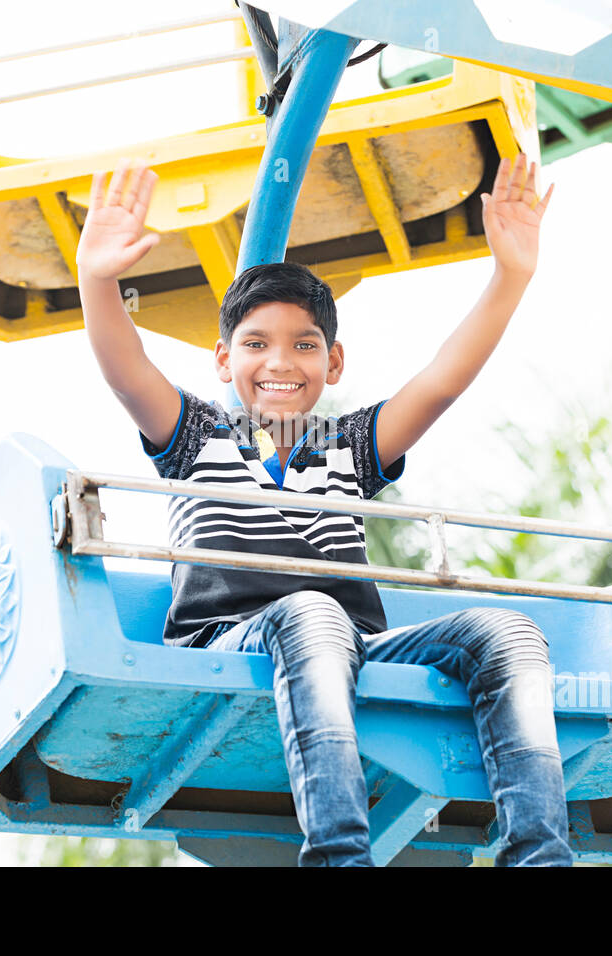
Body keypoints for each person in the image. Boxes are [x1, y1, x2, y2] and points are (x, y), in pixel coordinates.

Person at [76, 154, 570, 866]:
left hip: (351, 648)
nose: (281, 361)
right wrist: (100, 279)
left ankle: (539, 855)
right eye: (257, 344)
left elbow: (440, 381)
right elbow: (125, 366)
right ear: (223, 359)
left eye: (303, 345)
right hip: (234, 638)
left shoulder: (348, 448)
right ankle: (339, 855)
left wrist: (510, 276)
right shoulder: (196, 436)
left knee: (507, 633)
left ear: (332, 363)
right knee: (312, 612)